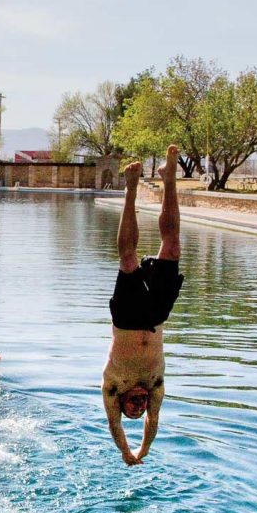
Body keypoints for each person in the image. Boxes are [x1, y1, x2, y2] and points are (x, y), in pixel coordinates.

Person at [102, 145, 184, 466]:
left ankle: (130, 190)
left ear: (121, 401)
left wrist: (128, 451)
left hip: (126, 318)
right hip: (157, 316)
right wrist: (146, 449)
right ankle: (170, 179)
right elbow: (154, 421)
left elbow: (114, 425)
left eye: (131, 410)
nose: (138, 409)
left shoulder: (111, 388)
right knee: (173, 247)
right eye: (141, 409)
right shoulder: (156, 388)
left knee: (128, 259)